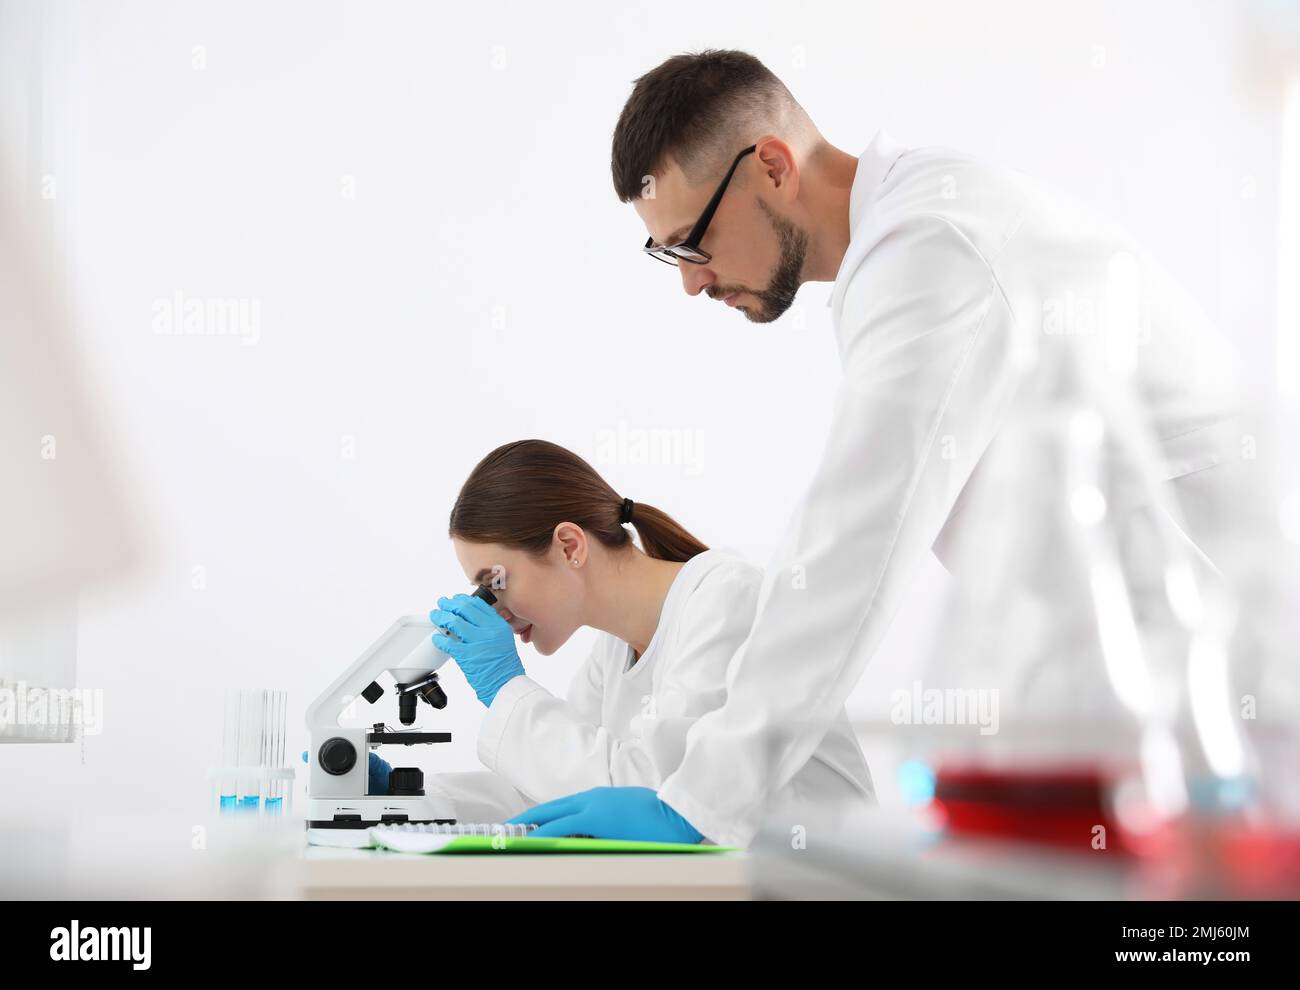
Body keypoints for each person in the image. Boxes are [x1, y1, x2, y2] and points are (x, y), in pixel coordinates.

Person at [504, 50, 1245, 846]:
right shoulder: (910, 240)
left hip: (1240, 699)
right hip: (1169, 716)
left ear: (774, 167)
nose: (692, 283)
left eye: (693, 243)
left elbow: (850, 548)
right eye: (669, 256)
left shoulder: (932, 248)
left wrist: (697, 804)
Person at [369, 438, 875, 831]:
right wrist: (409, 798)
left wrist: (503, 687)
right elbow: (554, 794)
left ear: (570, 546)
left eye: (494, 584)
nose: (496, 613)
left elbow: (662, 799)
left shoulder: (727, 599)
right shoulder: (614, 649)